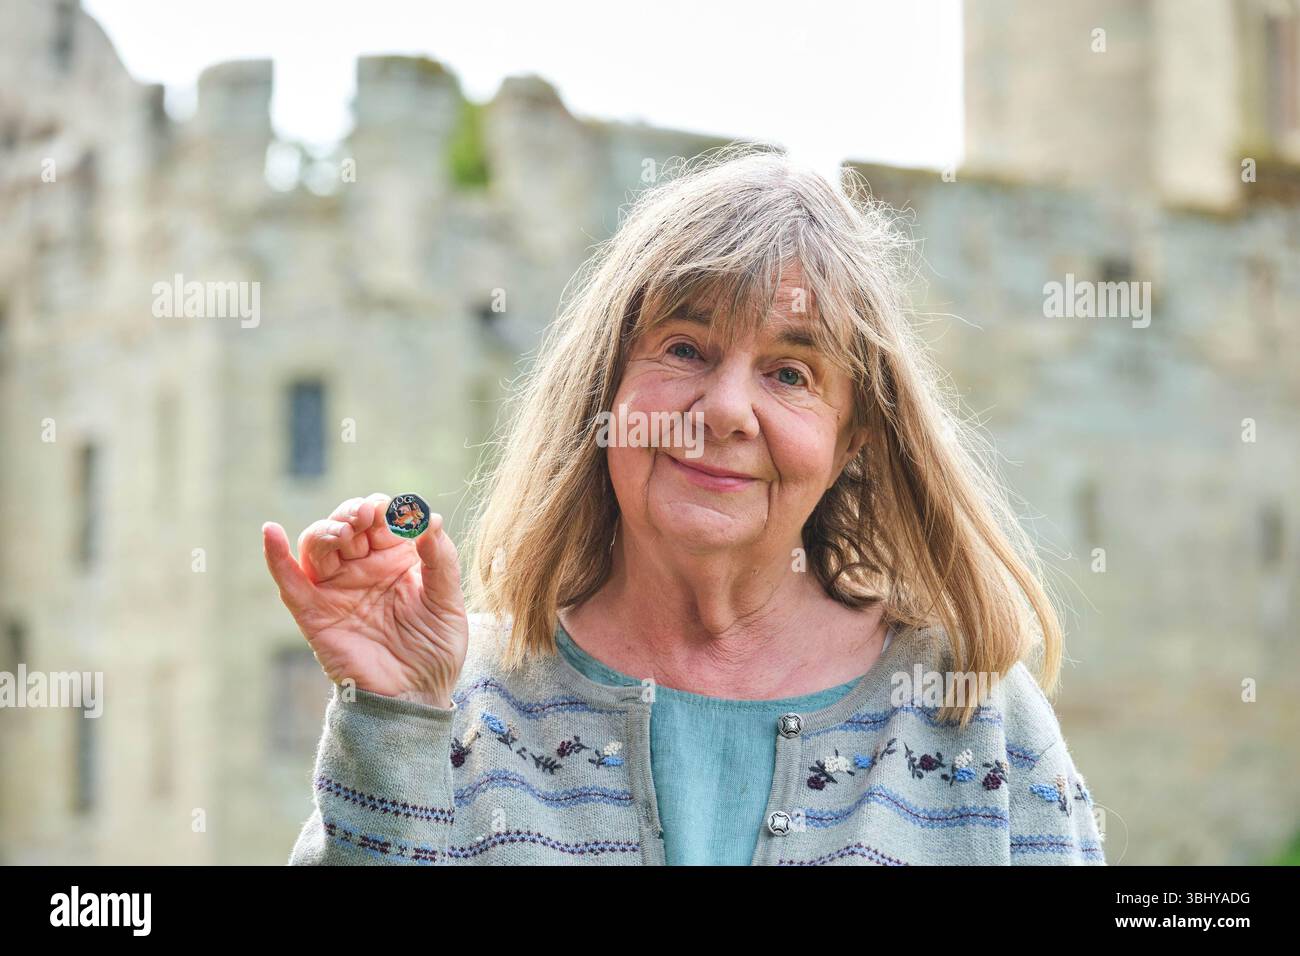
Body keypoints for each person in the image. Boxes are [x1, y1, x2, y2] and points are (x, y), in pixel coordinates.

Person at [264, 145, 1105, 865]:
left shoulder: (972, 715)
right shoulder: (455, 706)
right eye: (684, 347)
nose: (726, 409)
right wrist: (395, 721)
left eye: (790, 373)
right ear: (608, 394)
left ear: (854, 441)